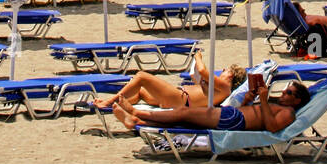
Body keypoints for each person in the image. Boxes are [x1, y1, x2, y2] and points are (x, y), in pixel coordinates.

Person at [112, 77, 310, 135]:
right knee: (186, 120)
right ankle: (136, 121)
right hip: (233, 114)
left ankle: (138, 112)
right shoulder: (276, 105)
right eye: (285, 91)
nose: (283, 94)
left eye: (289, 93)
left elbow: (272, 127)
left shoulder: (289, 113)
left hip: (234, 120)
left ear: (297, 100)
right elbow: (254, 113)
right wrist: (249, 100)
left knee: (183, 113)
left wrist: (264, 101)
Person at [94, 53, 245, 111]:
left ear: (231, 75)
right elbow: (201, 82)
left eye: (226, 70)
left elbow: (204, 71)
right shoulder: (219, 88)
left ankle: (108, 102)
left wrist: (198, 57)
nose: (223, 70)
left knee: (141, 76)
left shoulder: (225, 86)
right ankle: (117, 104)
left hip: (180, 99)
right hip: (177, 98)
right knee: (140, 92)